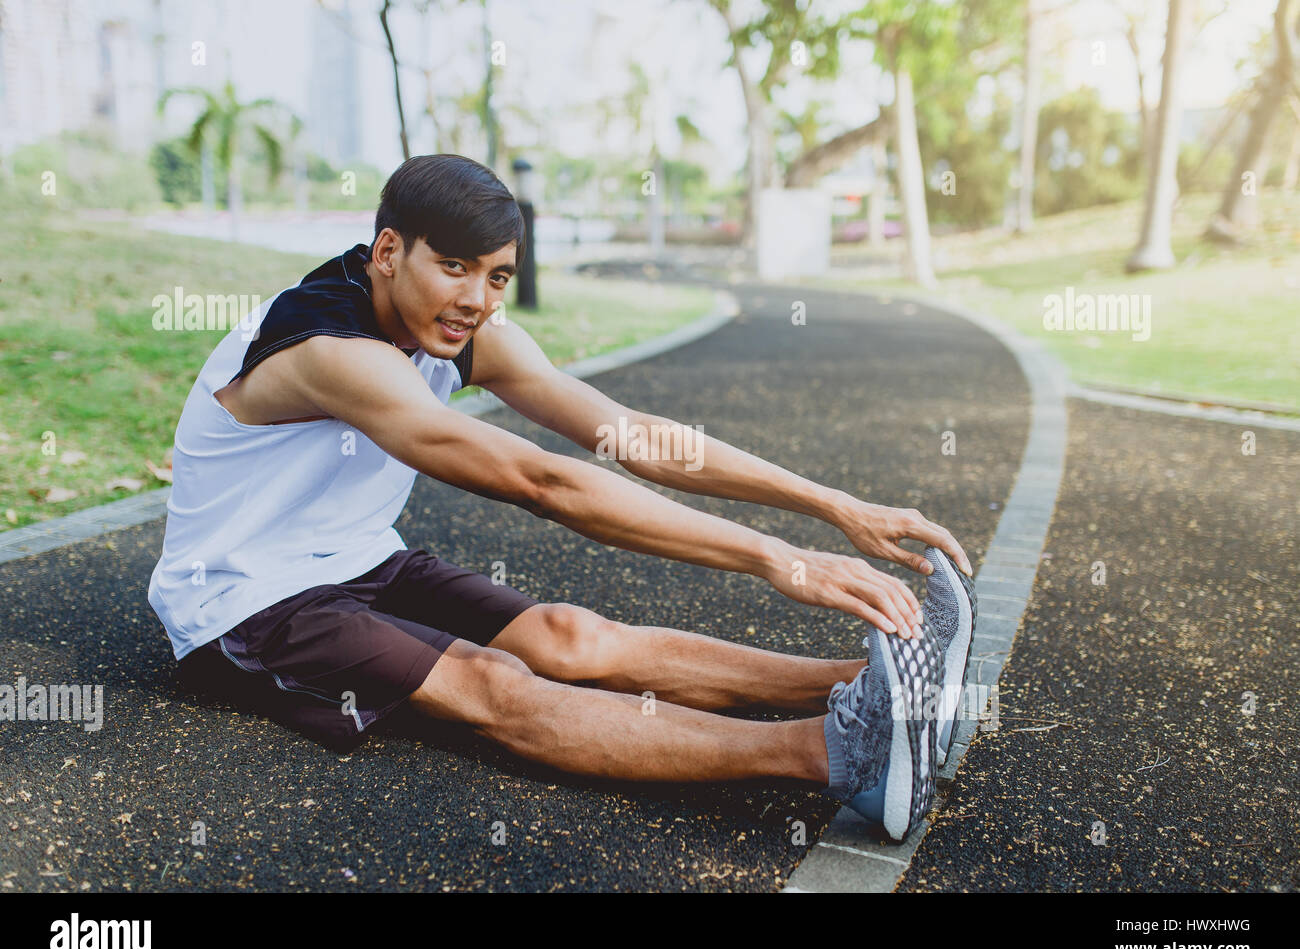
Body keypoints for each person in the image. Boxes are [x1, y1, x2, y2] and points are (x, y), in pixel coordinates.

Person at [147, 154, 976, 842]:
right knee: (497, 682)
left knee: (572, 635)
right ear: (390, 252)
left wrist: (831, 505)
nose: (476, 298)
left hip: (357, 557)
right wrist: (776, 557)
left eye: (498, 275)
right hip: (246, 602)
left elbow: (634, 435)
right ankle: (836, 755)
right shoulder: (331, 349)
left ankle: (878, 687)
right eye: (456, 266)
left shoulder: (455, 324)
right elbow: (541, 481)